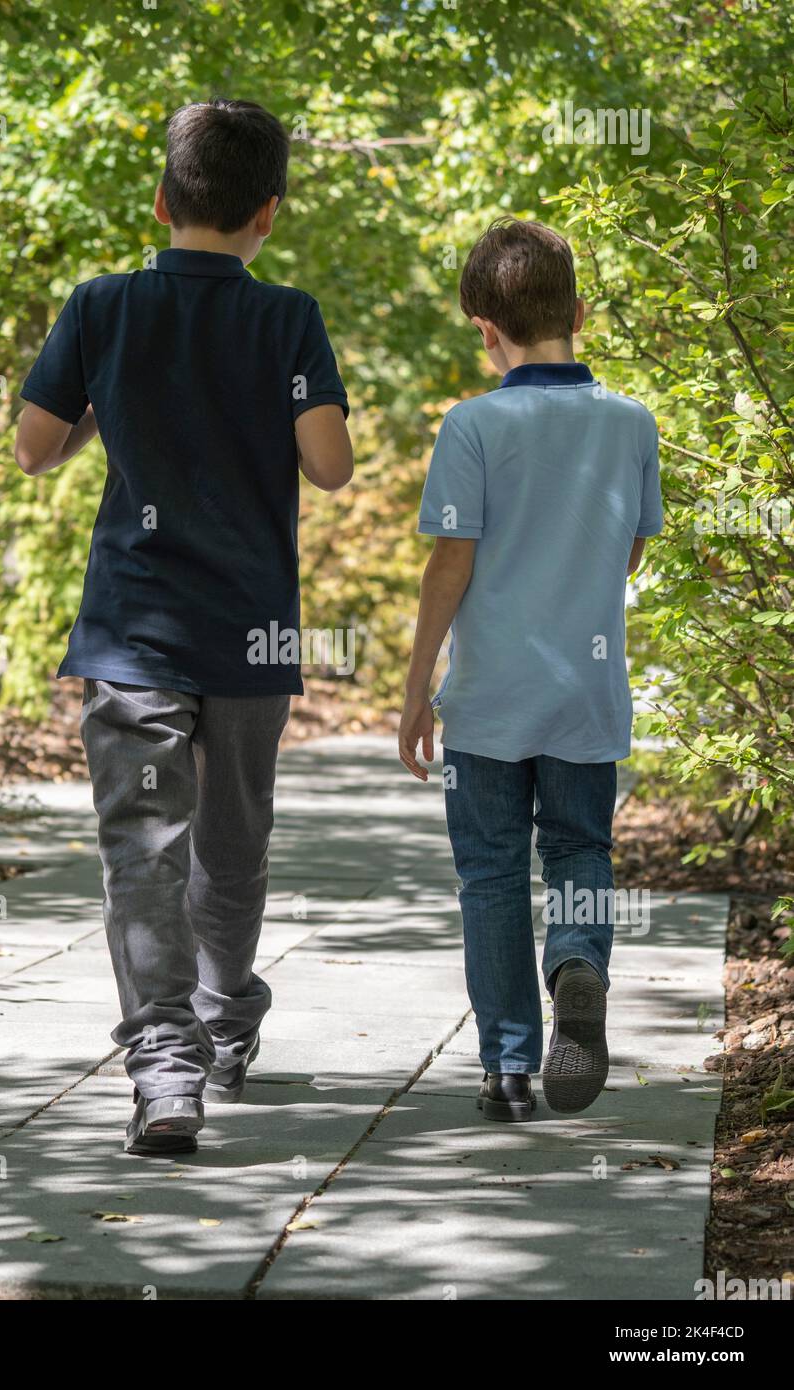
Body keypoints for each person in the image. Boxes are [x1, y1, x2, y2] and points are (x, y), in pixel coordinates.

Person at [14, 99, 352, 1154]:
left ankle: (167, 1067)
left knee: (143, 850)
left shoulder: (101, 306)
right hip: (250, 635)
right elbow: (332, 467)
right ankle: (220, 1021)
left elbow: (34, 447)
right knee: (232, 841)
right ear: (271, 214)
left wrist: (110, 402)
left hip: (133, 631)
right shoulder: (288, 315)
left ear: (162, 201)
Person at [399, 217, 661, 1121]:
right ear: (579, 313)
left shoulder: (470, 425)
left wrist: (413, 690)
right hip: (585, 695)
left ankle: (507, 1070)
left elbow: (450, 565)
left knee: (492, 870)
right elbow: (627, 553)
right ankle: (580, 959)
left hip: (487, 702)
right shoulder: (630, 422)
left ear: (483, 327)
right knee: (581, 848)